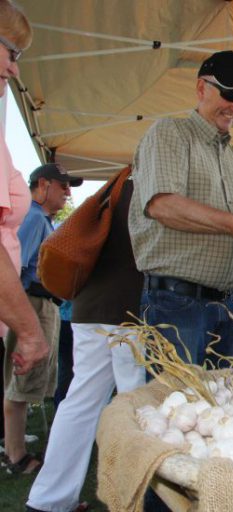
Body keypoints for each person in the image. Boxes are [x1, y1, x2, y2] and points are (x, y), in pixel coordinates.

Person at [129, 50, 233, 368]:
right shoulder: (170, 133)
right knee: (179, 408)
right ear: (201, 88)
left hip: (230, 307)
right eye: (230, 94)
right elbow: (162, 205)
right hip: (176, 305)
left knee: (225, 410)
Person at [26, 174, 144, 512]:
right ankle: (131, 499)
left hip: (89, 308)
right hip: (128, 312)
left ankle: (49, 499)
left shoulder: (115, 185)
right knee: (138, 408)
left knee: (80, 403)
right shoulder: (153, 184)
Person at [4, 162, 81, 474]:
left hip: (42, 303)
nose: (67, 192)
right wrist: (25, 322)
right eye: (63, 185)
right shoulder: (34, 218)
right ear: (44, 185)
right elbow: (14, 268)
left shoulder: (42, 219)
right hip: (33, 303)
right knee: (21, 382)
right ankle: (16, 456)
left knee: (25, 383)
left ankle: (15, 447)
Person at [0, 0, 50, 453]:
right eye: (12, 53)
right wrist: (30, 330)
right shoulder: (36, 219)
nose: (16, 71)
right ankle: (15, 453)